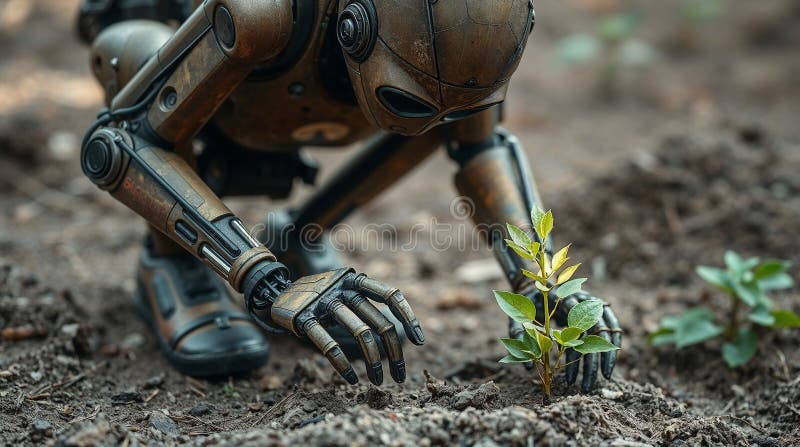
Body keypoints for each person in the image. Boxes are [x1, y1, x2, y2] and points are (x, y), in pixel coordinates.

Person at [75, 0, 621, 391]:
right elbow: (121, 144)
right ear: (355, 28)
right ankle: (169, 265)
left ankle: (297, 237)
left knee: (450, 114)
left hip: (289, 107)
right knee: (138, 50)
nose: (425, 125)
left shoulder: (464, 36)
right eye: (408, 102)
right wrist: (264, 280)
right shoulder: (263, 16)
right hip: (201, 95)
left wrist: (538, 280)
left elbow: (479, 148)